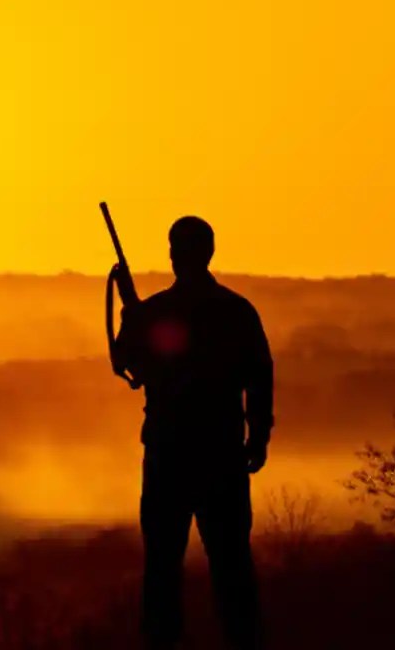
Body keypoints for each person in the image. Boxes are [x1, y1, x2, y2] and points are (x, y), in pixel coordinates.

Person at [116, 216, 274, 649]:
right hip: (219, 455)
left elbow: (128, 365)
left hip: (171, 458)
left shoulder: (158, 312)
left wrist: (135, 323)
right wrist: (257, 437)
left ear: (175, 253)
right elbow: (260, 378)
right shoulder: (236, 311)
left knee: (165, 571)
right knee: (230, 569)